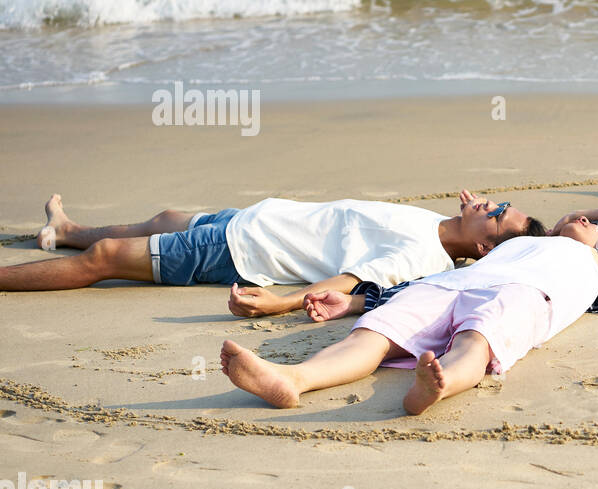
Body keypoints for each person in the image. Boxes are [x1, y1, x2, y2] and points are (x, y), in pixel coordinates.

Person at [221, 200, 598, 414]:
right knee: (375, 332)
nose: (585, 221)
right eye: (576, 219)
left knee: (476, 341)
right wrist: (356, 301)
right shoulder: (525, 242)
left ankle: (438, 386)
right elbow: (411, 280)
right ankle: (293, 379)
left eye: (594, 226)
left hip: (525, 294)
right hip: (453, 283)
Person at [2, 190, 544, 317]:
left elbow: (348, 282)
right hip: (255, 219)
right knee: (164, 219)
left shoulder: (423, 256)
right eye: (501, 204)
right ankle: (68, 229)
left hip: (239, 250)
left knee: (110, 259)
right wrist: (473, 215)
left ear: (480, 246)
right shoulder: (437, 225)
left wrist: (281, 303)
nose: (491, 203)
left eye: (496, 215)